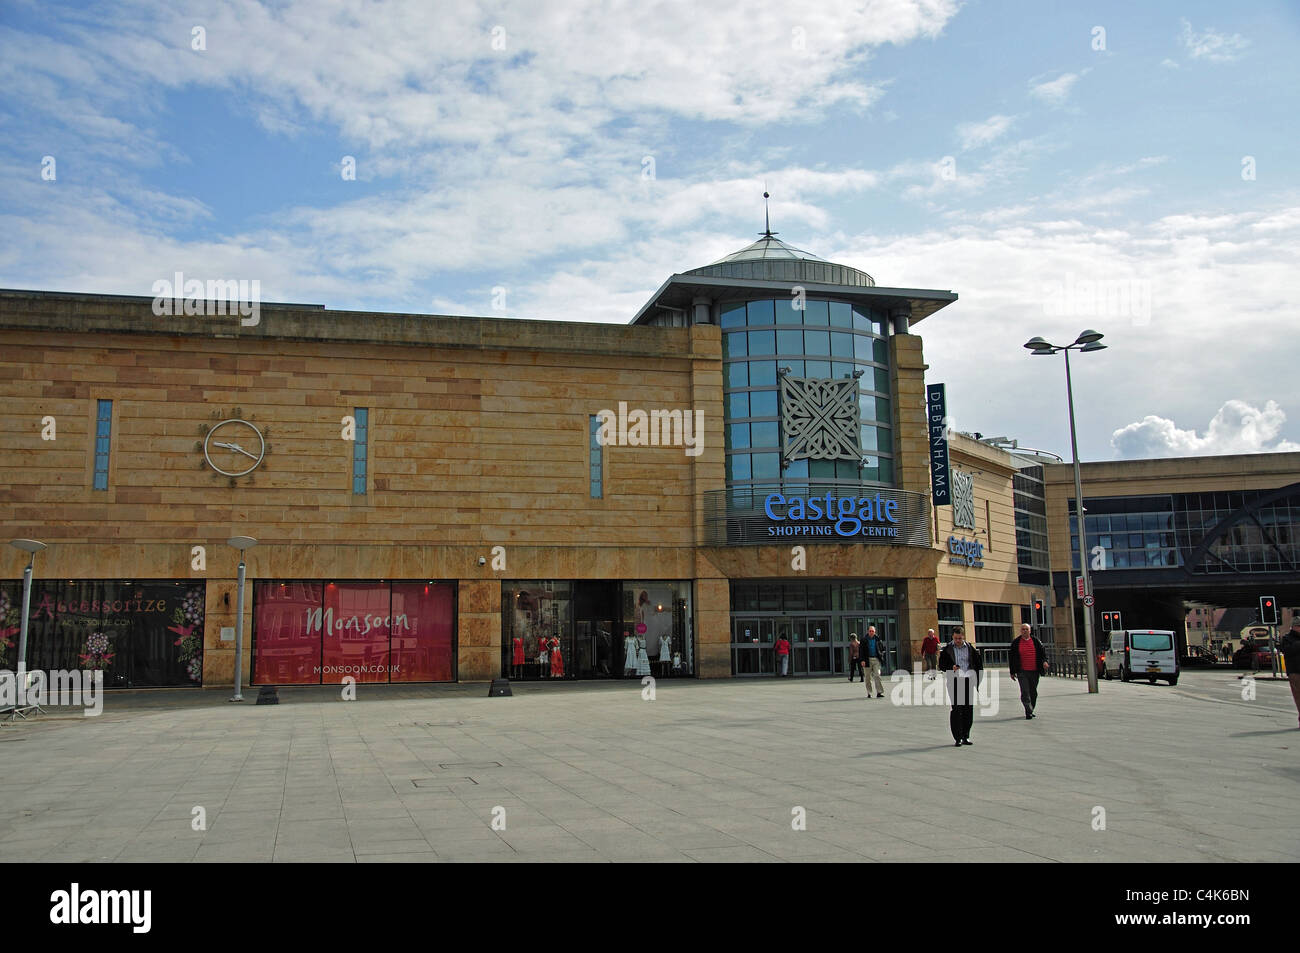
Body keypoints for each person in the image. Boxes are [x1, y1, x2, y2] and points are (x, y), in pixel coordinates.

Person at [938, 626, 983, 746]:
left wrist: (977, 679)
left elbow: (978, 663)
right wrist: (950, 668)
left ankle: (966, 736)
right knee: (957, 709)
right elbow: (941, 665)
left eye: (960, 638)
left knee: (968, 709)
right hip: (954, 681)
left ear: (963, 636)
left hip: (968, 680)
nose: (958, 640)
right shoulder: (947, 649)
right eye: (956, 638)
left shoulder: (969, 648)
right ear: (952, 637)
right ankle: (957, 737)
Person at [1009, 623, 1049, 719]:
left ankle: (1031, 708)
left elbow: (1043, 654)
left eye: (1026, 629)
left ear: (1030, 631)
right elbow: (1012, 658)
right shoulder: (1016, 643)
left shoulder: (1036, 641)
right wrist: (1012, 672)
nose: (1024, 631)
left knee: (1033, 692)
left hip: (1034, 671)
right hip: (1022, 671)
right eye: (1023, 629)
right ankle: (1028, 710)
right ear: (1020, 631)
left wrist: (1045, 662)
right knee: (1025, 691)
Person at [1281, 617, 1300, 729]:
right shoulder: (1287, 638)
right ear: (1294, 627)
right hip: (1295, 671)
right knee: (1298, 696)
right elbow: (1287, 651)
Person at [862, 625, 885, 698]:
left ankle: (879, 692)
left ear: (875, 632)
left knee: (877, 675)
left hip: (876, 659)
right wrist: (862, 660)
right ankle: (869, 692)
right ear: (868, 631)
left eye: (873, 631)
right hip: (867, 660)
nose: (871, 632)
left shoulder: (878, 639)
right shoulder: (864, 639)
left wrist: (881, 655)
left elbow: (881, 649)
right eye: (870, 631)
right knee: (867, 677)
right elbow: (861, 651)